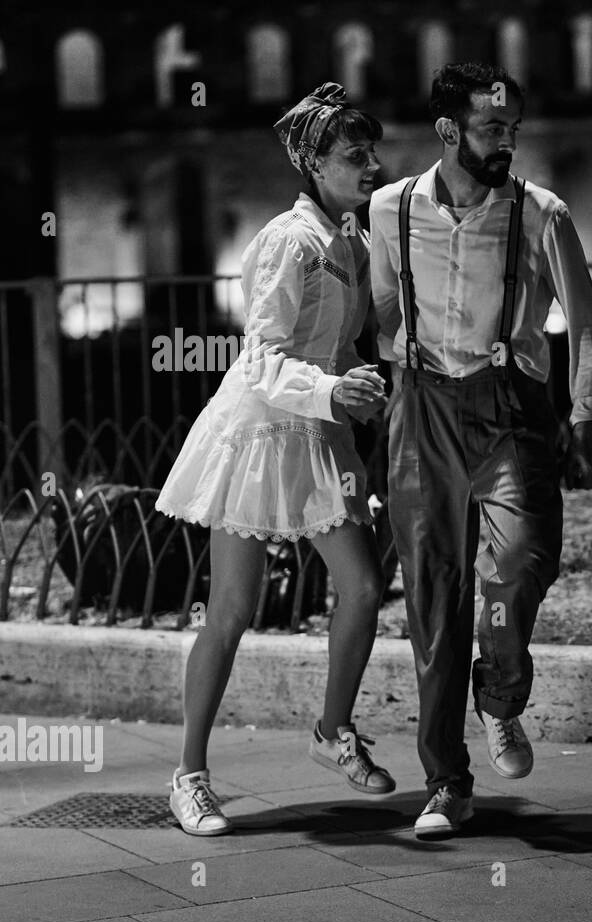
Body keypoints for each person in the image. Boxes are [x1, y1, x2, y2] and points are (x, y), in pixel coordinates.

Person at [369, 63, 592, 839]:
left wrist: (590, 409)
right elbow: (376, 305)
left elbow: (586, 318)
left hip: (511, 406)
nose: (508, 142)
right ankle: (447, 782)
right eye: (492, 130)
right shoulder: (389, 208)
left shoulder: (542, 214)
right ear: (449, 132)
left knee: (520, 565)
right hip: (421, 406)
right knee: (434, 599)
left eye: (512, 128)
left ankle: (500, 697)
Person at [156, 84, 394, 836]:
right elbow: (260, 359)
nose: (372, 164)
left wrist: (362, 378)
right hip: (260, 433)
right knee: (231, 609)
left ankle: (331, 733)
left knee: (359, 587)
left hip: (320, 432)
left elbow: (346, 342)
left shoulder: (352, 240)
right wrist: (333, 386)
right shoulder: (290, 241)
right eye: (356, 156)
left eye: (372, 152)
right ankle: (188, 776)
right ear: (314, 165)